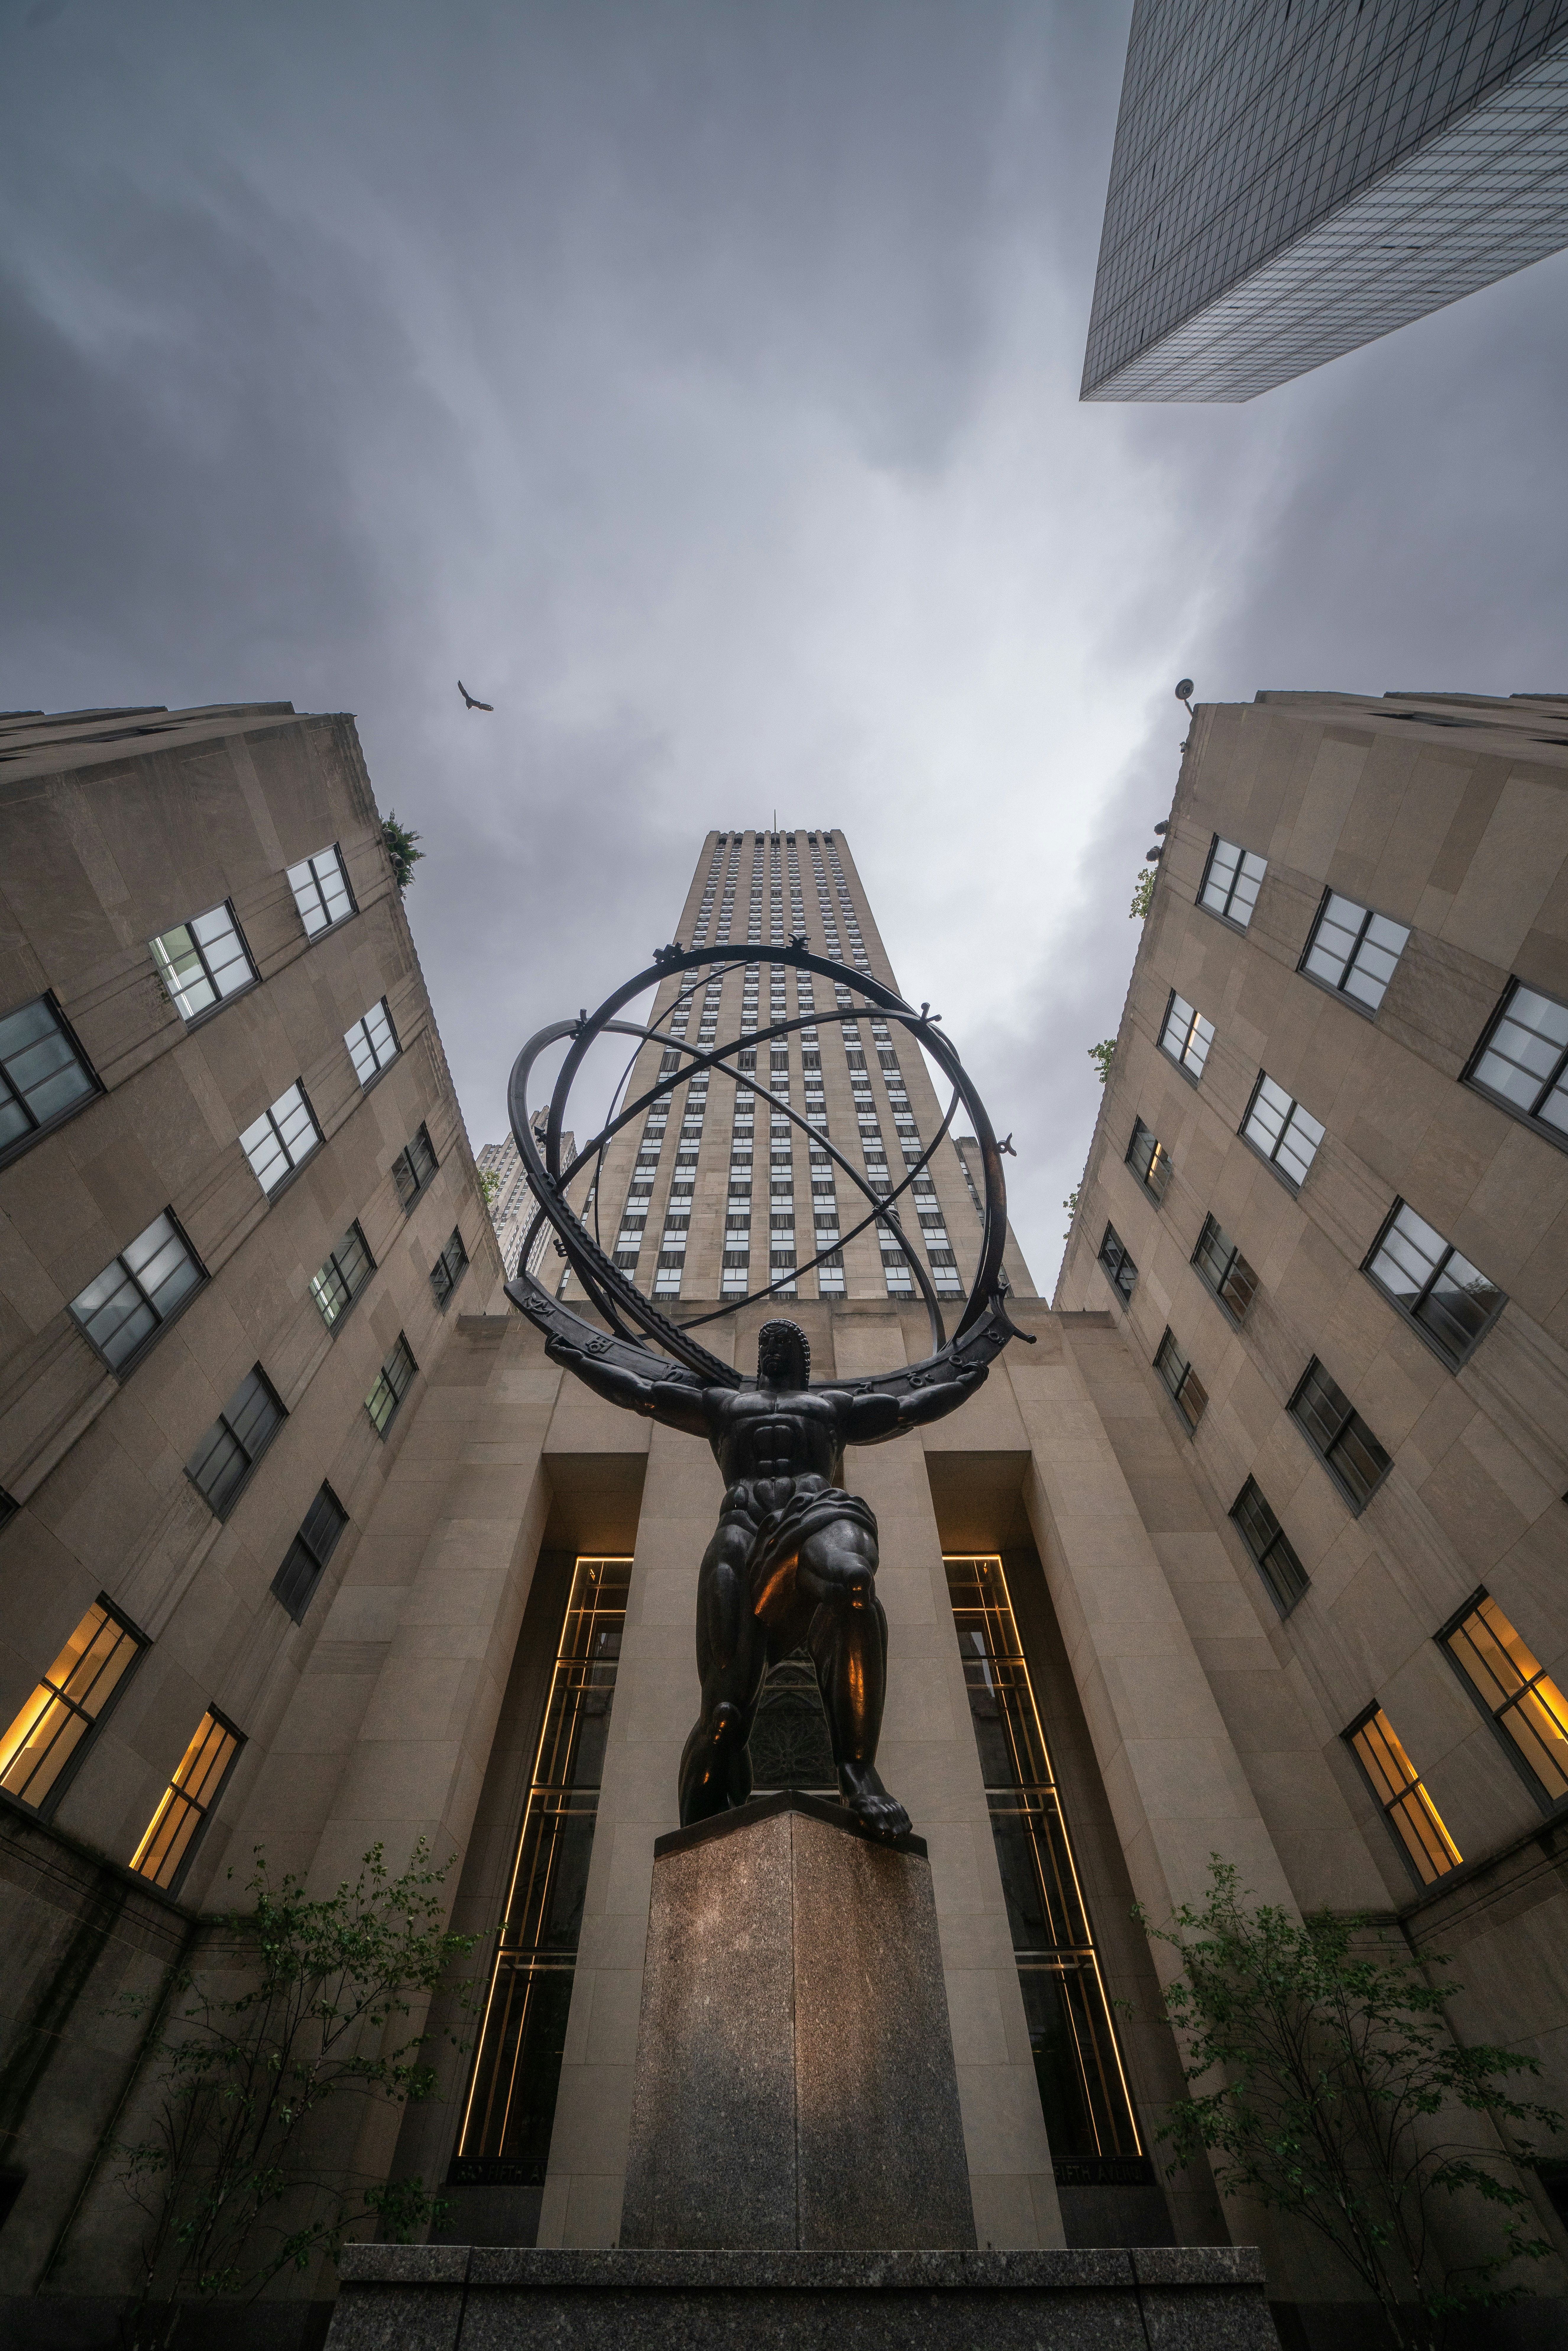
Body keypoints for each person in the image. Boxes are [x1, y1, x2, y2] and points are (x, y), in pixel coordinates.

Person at [544, 1317, 985, 1838]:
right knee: (726, 1713)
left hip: (814, 1516)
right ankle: (702, 1837)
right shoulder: (724, 1404)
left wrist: (972, 1373)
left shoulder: (831, 1407)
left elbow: (908, 1410)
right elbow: (641, 1393)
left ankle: (857, 1770)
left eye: (783, 1345)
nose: (772, 1351)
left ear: (803, 1359)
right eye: (766, 1344)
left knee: (853, 1580)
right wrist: (575, 1358)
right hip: (741, 1531)